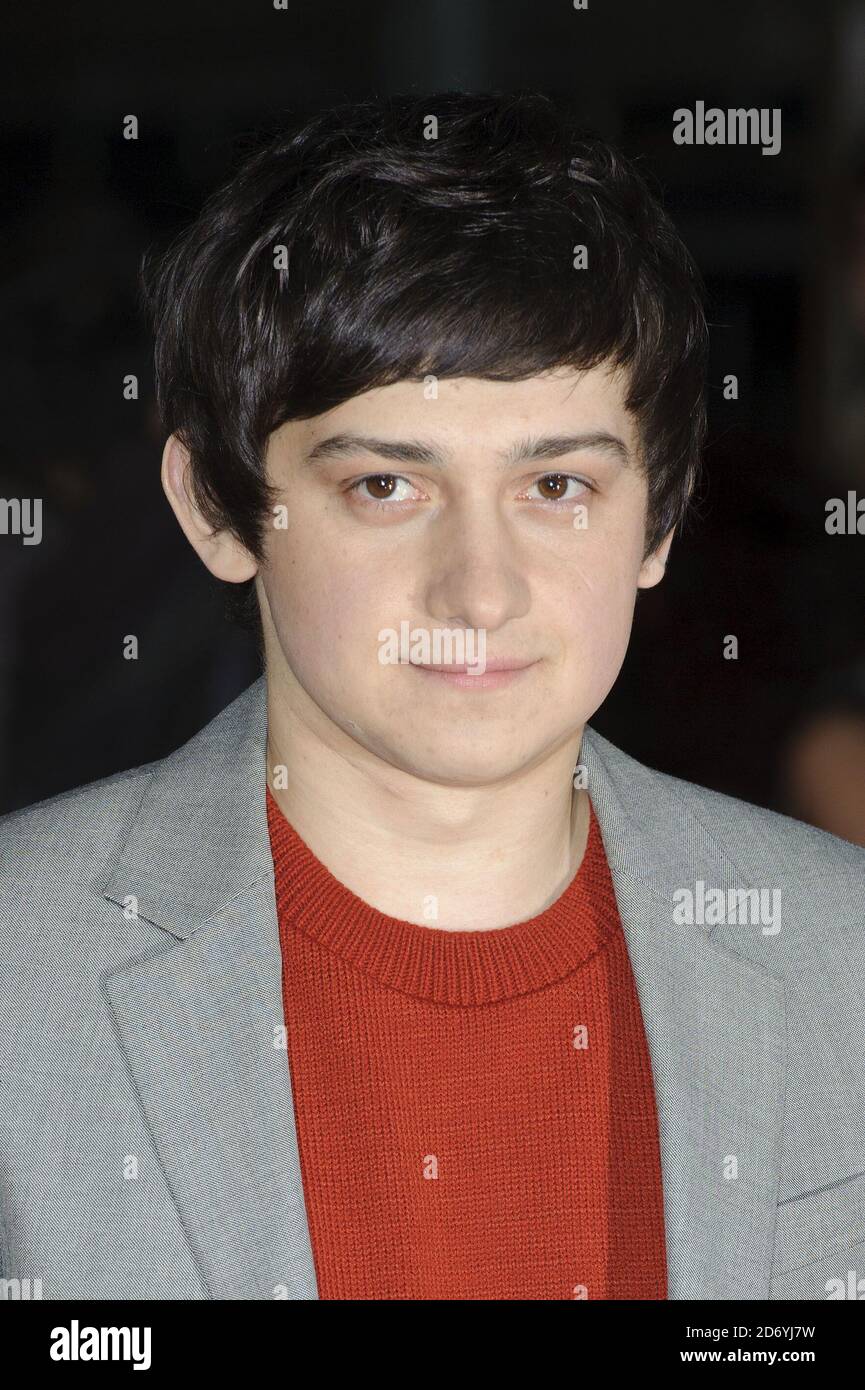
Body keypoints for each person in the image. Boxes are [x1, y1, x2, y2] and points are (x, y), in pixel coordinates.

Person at [2, 91, 864, 1303]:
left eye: (557, 484)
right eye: (386, 489)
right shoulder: (18, 979)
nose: (480, 591)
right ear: (215, 508)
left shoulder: (844, 957)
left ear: (659, 516)